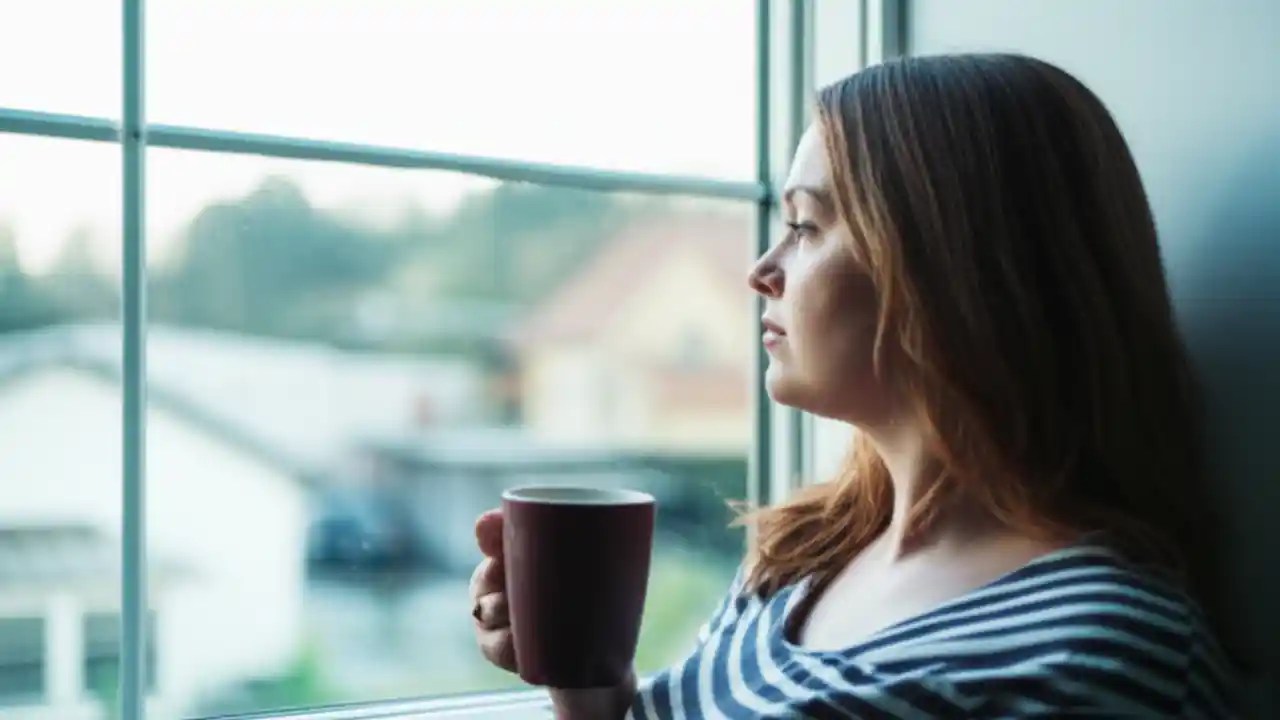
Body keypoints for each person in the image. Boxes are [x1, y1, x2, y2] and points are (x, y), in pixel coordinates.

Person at [469, 53, 1240, 719]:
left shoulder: (1102, 653)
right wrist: (587, 686)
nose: (761, 270)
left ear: (952, 267)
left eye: (804, 228)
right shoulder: (802, 557)